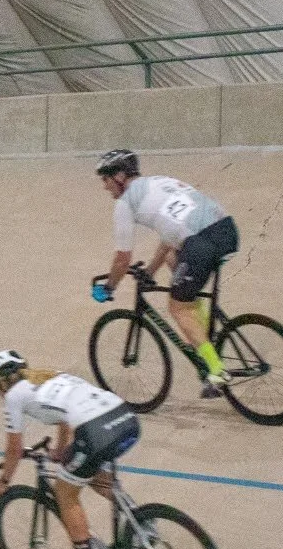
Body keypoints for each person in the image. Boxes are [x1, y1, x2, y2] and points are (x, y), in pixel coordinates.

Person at [0, 351, 140, 549]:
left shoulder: (14, 397)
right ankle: (142, 522)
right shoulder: (49, 376)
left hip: (95, 431)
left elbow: (14, 448)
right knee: (98, 479)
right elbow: (64, 418)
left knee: (65, 492)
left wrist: (3, 480)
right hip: (124, 419)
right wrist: (60, 449)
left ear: (0, 382)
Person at [93, 150, 239, 397]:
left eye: (105, 180)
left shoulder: (125, 203)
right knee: (174, 261)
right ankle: (206, 339)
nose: (105, 188)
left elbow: (122, 258)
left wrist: (109, 287)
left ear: (119, 176)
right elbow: (170, 237)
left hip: (200, 243)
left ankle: (215, 370)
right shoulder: (160, 182)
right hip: (226, 230)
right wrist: (150, 270)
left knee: (178, 307)